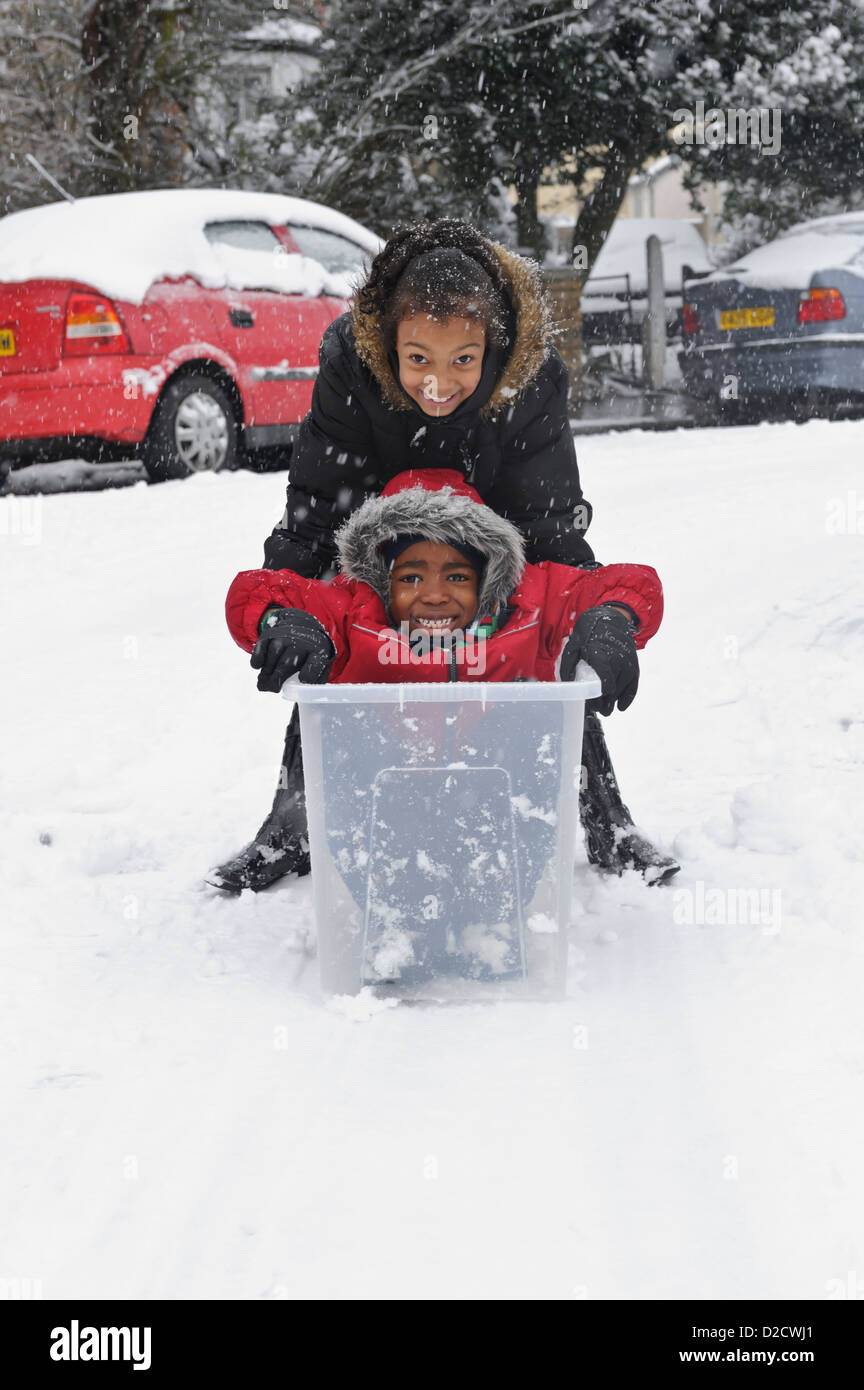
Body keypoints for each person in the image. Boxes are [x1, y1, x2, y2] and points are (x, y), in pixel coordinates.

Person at [209, 217, 678, 891]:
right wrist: (286, 607)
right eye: (418, 358)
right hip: (378, 508)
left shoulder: (530, 376)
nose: (437, 384)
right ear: (388, 341)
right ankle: (293, 824)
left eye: (463, 359)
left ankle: (607, 821)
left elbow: (549, 528)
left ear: (492, 347)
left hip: (497, 512)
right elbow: (315, 507)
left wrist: (595, 618)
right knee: (342, 629)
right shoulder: (352, 362)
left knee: (540, 632)